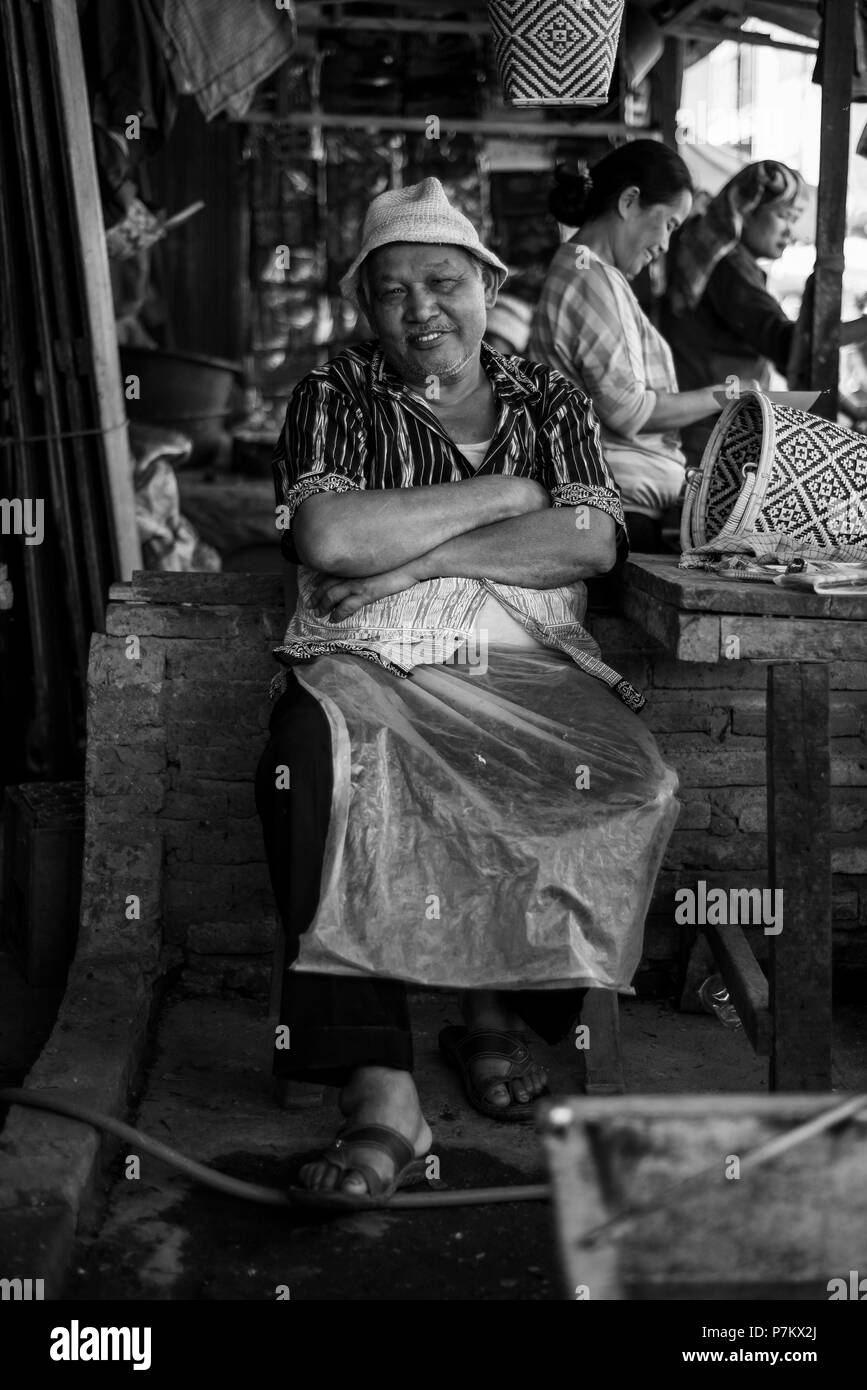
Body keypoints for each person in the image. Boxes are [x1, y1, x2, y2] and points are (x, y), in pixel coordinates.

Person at [255, 177, 680, 1201]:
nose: (420, 309)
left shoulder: (549, 397)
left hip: (527, 660)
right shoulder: (335, 393)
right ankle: (382, 1084)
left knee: (633, 779)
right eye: (392, 290)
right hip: (375, 658)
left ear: (488, 284)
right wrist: (505, 493)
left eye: (443, 280)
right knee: (306, 766)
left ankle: (491, 1009)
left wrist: (407, 552)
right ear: (366, 308)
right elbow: (329, 536)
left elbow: (589, 539)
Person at [528, 141, 730, 553]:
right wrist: (725, 396)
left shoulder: (585, 270)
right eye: (670, 224)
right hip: (615, 512)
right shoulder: (591, 277)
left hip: (616, 508)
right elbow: (629, 411)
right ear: (630, 201)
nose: (666, 245)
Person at [660, 159, 808, 471]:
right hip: (710, 439)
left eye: (795, 219)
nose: (790, 231)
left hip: (707, 432)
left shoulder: (723, 260)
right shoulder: (729, 267)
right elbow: (785, 343)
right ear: (747, 210)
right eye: (784, 216)